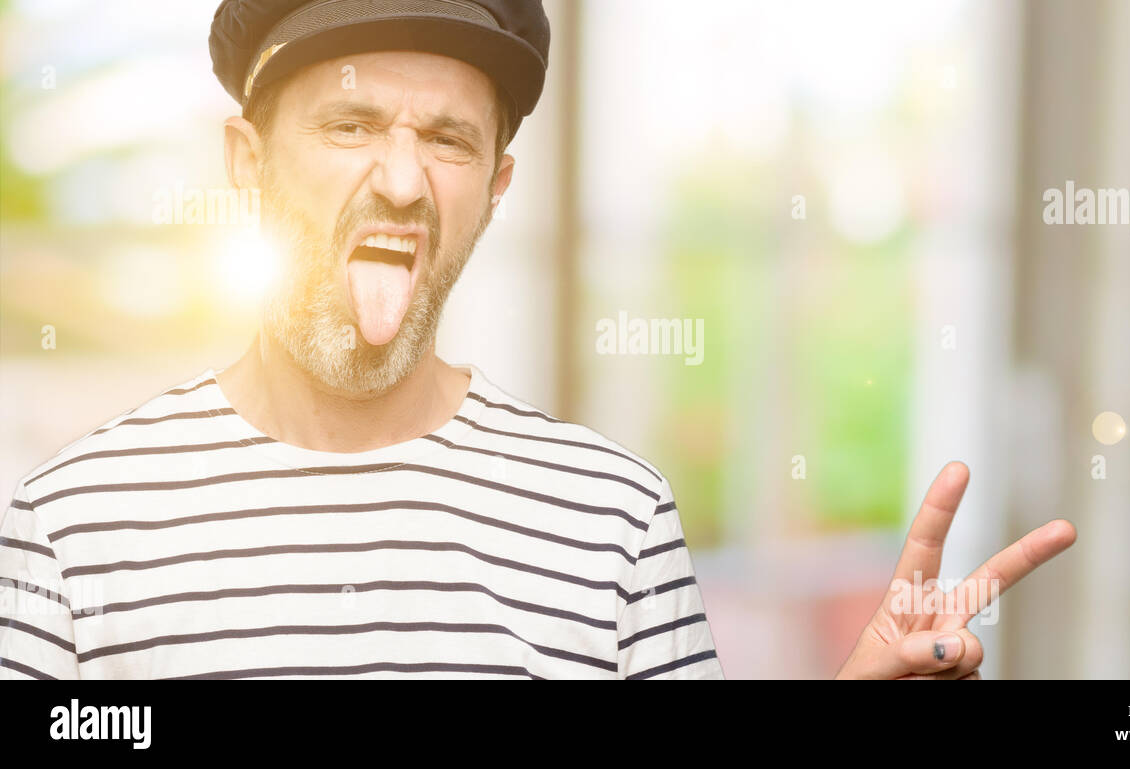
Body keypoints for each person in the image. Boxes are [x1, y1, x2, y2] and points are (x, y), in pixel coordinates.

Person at [0, 0, 1075, 681]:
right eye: (350, 125)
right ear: (246, 163)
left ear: (497, 188)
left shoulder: (610, 519)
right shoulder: (70, 526)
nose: (402, 181)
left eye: (450, 141)